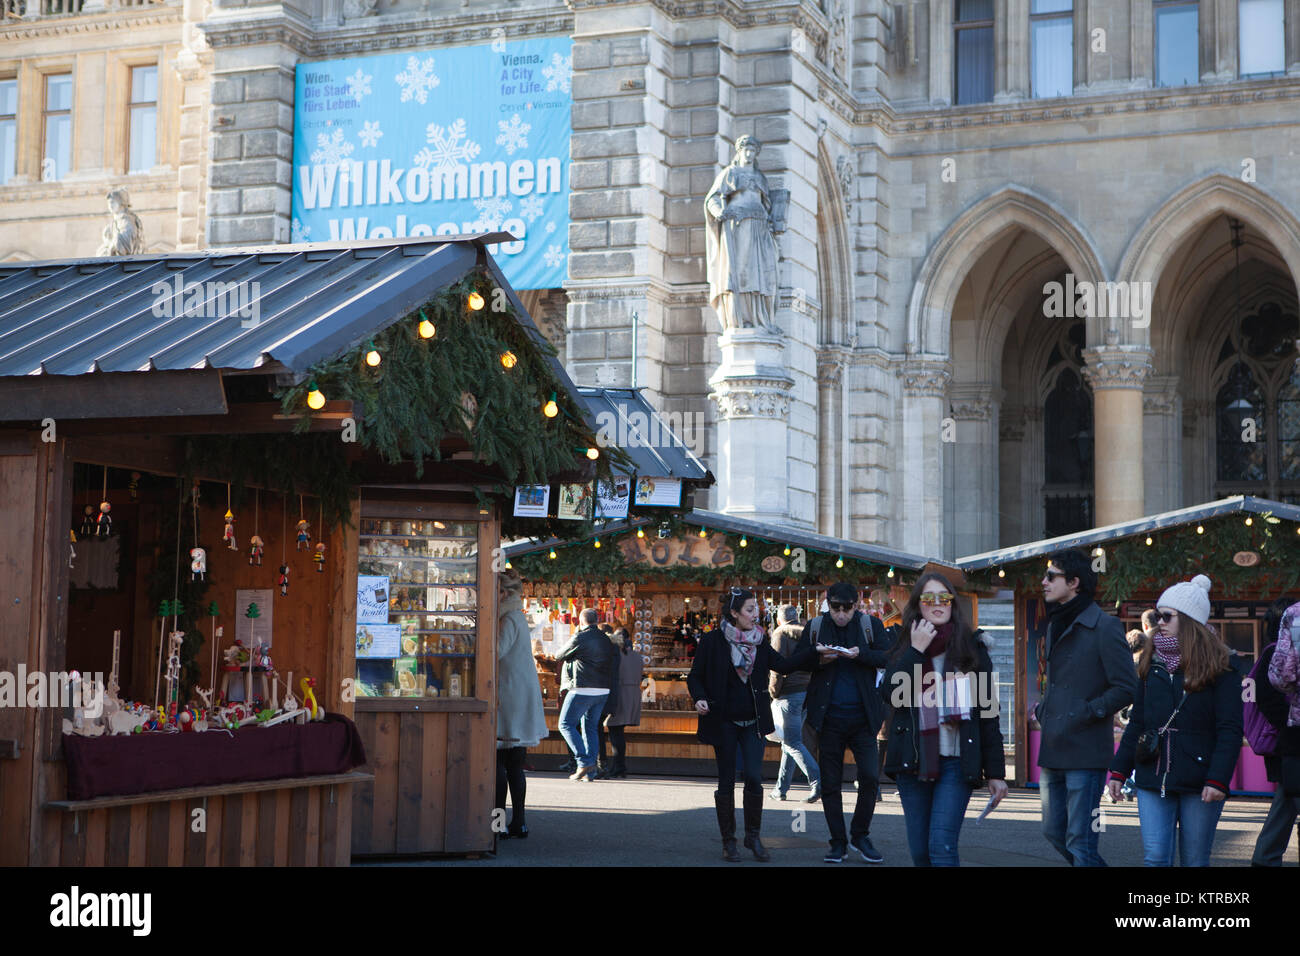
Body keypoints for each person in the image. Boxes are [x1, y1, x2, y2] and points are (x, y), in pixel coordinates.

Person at [1107, 574, 1243, 867]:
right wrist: (1118, 772)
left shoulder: (1223, 667)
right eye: (1157, 616)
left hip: (1200, 778)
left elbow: (1230, 729)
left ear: (1190, 620)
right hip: (1151, 775)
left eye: (1166, 616)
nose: (1159, 623)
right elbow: (1138, 722)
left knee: (1195, 861)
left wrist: (1218, 779)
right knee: (1155, 858)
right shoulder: (1150, 661)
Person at [883, 572, 1007, 866]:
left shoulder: (973, 648)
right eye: (929, 598)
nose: (937, 604)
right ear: (918, 604)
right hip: (913, 763)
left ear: (953, 603)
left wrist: (996, 772)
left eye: (944, 598)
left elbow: (988, 713)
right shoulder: (903, 644)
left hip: (956, 760)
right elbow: (891, 695)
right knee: (921, 853)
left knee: (941, 847)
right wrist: (916, 650)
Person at [687, 587, 817, 862]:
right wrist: (699, 698)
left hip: (754, 722)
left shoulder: (760, 641)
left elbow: (783, 666)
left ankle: (753, 837)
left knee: (755, 779)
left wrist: (814, 651)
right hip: (723, 721)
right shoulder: (713, 641)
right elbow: (695, 677)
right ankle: (728, 841)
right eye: (749, 609)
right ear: (734, 613)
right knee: (726, 781)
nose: (755, 613)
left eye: (756, 608)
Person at [1035, 549, 1137, 866]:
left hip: (1086, 749)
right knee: (1053, 832)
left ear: (1075, 582)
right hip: (1054, 745)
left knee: (1082, 843)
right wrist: (1044, 709)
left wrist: (1087, 712)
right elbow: (1057, 682)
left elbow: (1126, 687)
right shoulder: (1054, 624)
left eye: (1052, 576)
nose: (1044, 582)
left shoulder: (1105, 627)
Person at [795, 582, 893, 864]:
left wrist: (859, 654)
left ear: (856, 605)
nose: (840, 614)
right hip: (828, 719)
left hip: (863, 719)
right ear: (828, 603)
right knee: (830, 784)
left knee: (871, 778)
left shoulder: (870, 625)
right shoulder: (816, 625)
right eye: (835, 608)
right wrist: (819, 656)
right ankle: (838, 842)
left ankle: (860, 835)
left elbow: (887, 657)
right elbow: (800, 661)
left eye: (846, 608)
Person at [703, 135, 779, 331]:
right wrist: (720, 212)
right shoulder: (730, 173)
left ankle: (759, 318)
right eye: (745, 150)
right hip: (737, 227)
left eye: (752, 151)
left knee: (759, 273)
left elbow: (767, 204)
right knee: (739, 271)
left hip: (759, 228)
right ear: (738, 152)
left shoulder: (760, 178)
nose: (749, 154)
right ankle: (739, 318)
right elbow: (712, 198)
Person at [495, 570, 547, 838]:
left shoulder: (507, 619)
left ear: (503, 593)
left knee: (498, 763)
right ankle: (520, 822)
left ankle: (499, 824)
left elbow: (496, 651)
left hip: (508, 696)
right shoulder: (517, 617)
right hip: (520, 695)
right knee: (514, 763)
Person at [1252, 597, 1300, 866]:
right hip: (1291, 743)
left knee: (1284, 806)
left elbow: (1278, 681)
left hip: (1293, 740)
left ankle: (1264, 860)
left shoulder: (1294, 619)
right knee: (1285, 804)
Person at [768, 604, 821, 803]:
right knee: (790, 742)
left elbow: (776, 666)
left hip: (788, 693)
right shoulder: (807, 633)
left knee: (791, 742)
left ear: (779, 620)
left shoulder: (780, 633)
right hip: (806, 692)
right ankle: (780, 789)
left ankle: (817, 781)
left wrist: (773, 692)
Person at [556, 608, 616, 781]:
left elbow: (558, 655)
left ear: (581, 622)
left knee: (565, 724)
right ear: (596, 620)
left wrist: (575, 635)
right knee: (590, 728)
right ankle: (590, 772)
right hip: (603, 689)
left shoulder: (580, 637)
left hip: (582, 687)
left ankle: (583, 762)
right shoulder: (606, 639)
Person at [600, 627, 644, 779]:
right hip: (633, 695)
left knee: (615, 733)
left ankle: (618, 767)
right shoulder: (637, 657)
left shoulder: (616, 655)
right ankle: (620, 766)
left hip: (619, 695)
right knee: (618, 732)